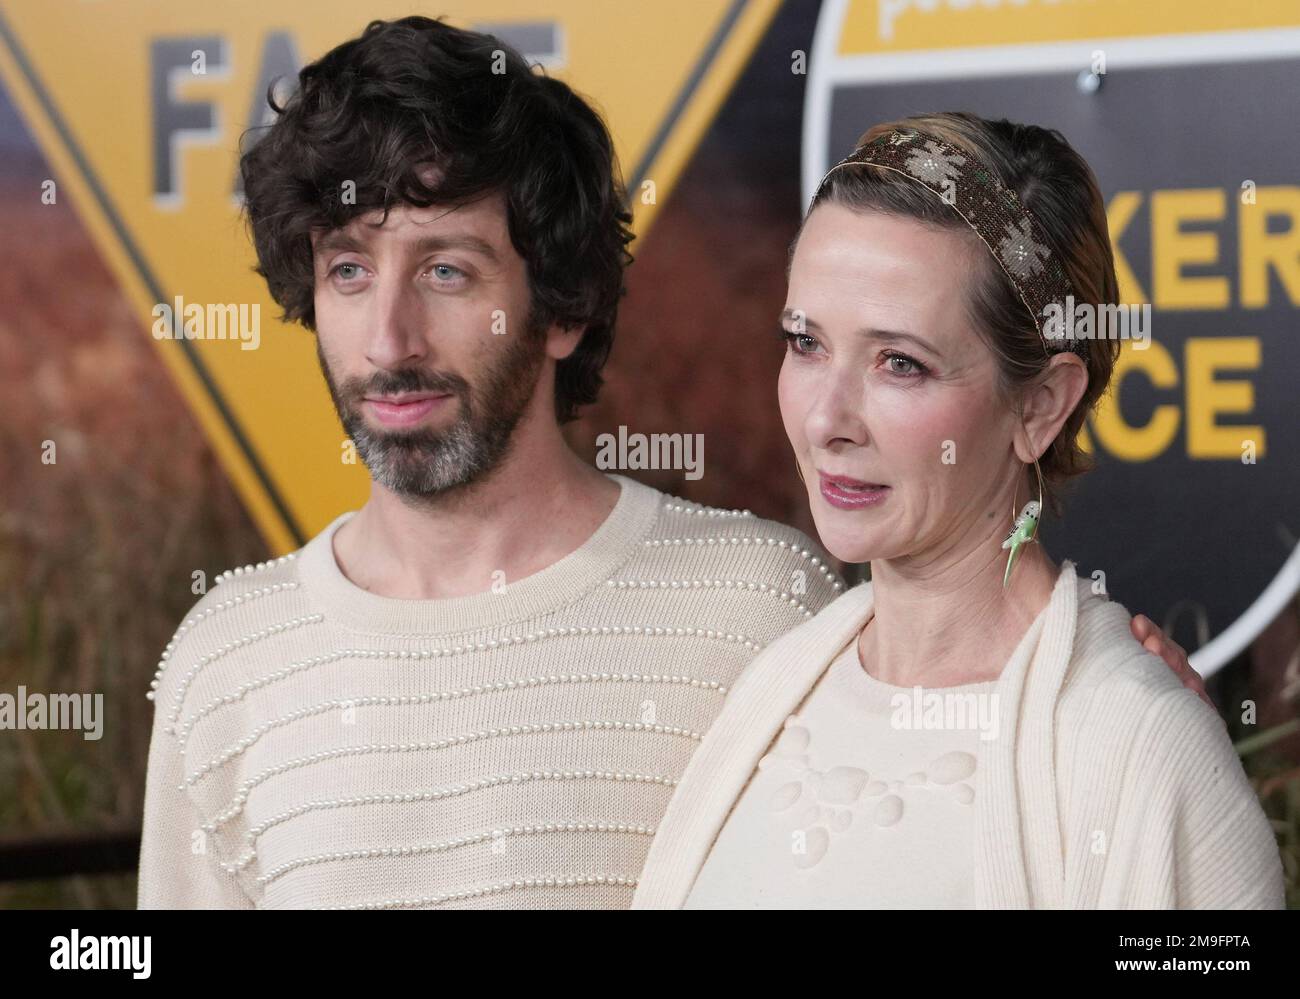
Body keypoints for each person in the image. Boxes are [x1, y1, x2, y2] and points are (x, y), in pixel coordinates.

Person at [137, 20, 1204, 909]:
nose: (388, 339)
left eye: (448, 269)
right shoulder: (225, 663)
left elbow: (987, 729)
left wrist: (1132, 732)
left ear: (561, 305)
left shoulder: (769, 612)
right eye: (347, 270)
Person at [631, 113, 1283, 909]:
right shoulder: (772, 687)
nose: (826, 419)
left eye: (900, 363)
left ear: (1041, 406)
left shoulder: (1135, 748)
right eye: (806, 343)